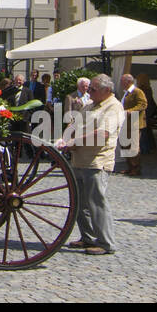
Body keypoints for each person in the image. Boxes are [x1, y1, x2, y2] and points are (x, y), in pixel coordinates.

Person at [56, 74, 122, 255]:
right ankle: (87, 237)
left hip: (97, 162)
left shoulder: (113, 107)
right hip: (79, 160)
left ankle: (106, 243)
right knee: (79, 203)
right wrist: (64, 139)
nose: (88, 91)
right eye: (89, 88)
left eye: (93, 89)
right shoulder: (90, 105)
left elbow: (103, 134)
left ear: (106, 90)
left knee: (96, 203)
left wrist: (73, 141)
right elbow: (75, 125)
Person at [118, 73, 147, 177]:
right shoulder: (126, 93)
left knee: (133, 146)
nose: (121, 83)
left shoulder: (137, 92)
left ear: (129, 81)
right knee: (125, 145)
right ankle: (129, 167)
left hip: (134, 123)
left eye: (122, 81)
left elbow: (143, 104)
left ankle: (136, 168)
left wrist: (130, 111)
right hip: (125, 123)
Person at [136, 73, 157, 153]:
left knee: (143, 131)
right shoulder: (149, 89)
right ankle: (149, 147)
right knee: (146, 130)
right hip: (149, 111)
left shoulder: (140, 90)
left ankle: (144, 148)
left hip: (143, 112)